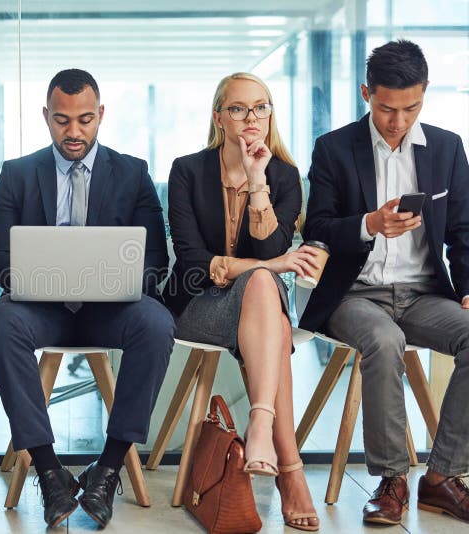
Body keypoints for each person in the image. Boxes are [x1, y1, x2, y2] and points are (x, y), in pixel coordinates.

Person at [0, 69, 174, 528]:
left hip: (108, 311)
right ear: (46, 116)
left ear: (101, 115)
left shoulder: (132, 172)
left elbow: (155, 260)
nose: (74, 132)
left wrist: (117, 281)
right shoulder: (17, 173)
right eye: (63, 120)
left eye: (85, 120)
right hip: (40, 310)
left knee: (157, 323)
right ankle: (49, 473)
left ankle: (107, 471)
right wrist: (36, 278)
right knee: (0, 323)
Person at [300, 39, 469, 525]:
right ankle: (392, 480)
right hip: (355, 295)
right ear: (365, 93)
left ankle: (441, 477)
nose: (398, 121)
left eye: (411, 107)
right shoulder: (333, 148)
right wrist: (368, 224)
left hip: (422, 294)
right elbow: (318, 228)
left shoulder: (446, 147)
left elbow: (462, 232)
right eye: (386, 107)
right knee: (383, 339)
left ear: (425, 94)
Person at [163, 72, 320, 531]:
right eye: (238, 108)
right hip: (197, 305)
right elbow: (192, 261)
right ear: (219, 117)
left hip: (260, 309)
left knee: (261, 290)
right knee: (266, 292)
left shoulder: (285, 177)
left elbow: (268, 250)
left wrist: (257, 182)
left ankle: (262, 428)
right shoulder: (187, 170)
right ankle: (287, 470)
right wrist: (268, 266)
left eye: (261, 107)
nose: (252, 118)